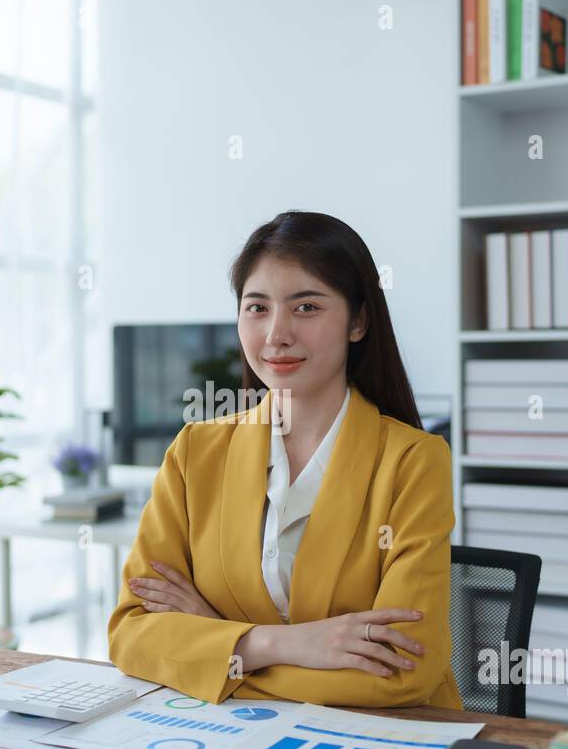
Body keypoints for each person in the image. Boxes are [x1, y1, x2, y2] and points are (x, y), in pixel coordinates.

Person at [107, 210, 461, 709]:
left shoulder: (413, 461)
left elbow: (400, 674)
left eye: (307, 307)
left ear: (359, 321)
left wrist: (216, 646)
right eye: (257, 308)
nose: (277, 334)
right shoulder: (195, 453)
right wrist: (283, 643)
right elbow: (132, 635)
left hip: (383, 741)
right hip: (233, 743)